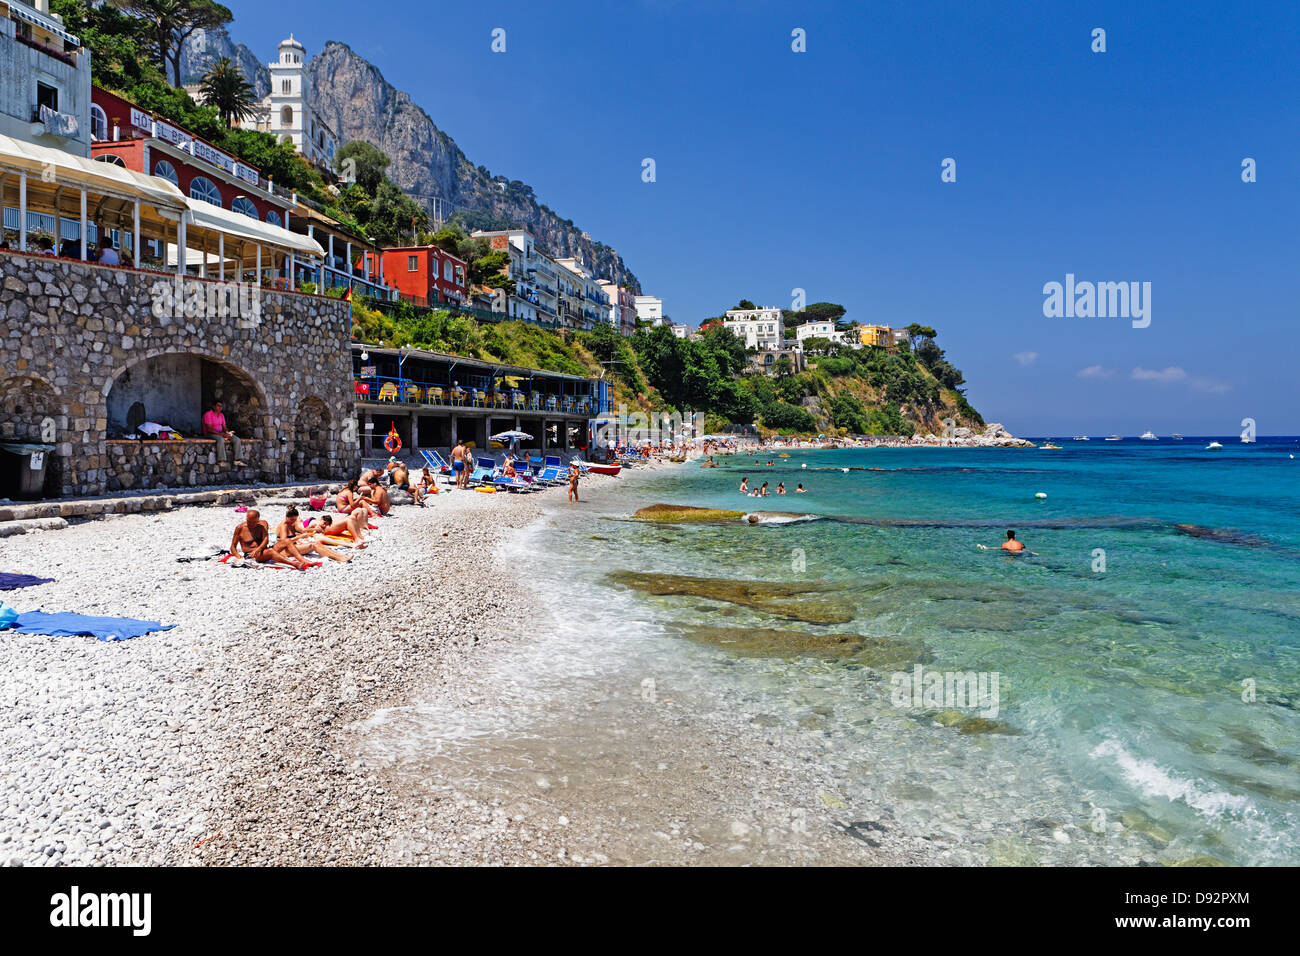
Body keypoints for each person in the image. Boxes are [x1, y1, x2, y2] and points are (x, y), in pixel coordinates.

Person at [228, 510, 309, 568]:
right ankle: (294, 564)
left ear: (258, 520)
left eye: (254, 522)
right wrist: (238, 556)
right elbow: (233, 546)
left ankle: (303, 560)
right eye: (249, 521)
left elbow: (266, 540)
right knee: (270, 551)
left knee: (287, 541)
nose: (251, 524)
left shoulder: (261, 526)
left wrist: (258, 549)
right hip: (252, 555)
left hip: (263, 551)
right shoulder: (240, 528)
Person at [277, 506, 351, 563]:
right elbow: (283, 543)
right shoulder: (284, 525)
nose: (293, 522)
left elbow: (300, 531)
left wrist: (298, 535)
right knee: (313, 545)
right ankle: (338, 558)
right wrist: (300, 537)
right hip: (285, 551)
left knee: (317, 543)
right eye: (292, 520)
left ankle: (340, 555)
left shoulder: (291, 523)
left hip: (292, 547)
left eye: (295, 520)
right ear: (287, 517)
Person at [202, 401, 244, 466]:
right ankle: (221, 460)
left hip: (220, 433)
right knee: (221, 439)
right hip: (209, 433)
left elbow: (224, 427)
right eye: (218, 406)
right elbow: (209, 429)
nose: (220, 407)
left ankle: (238, 460)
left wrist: (228, 433)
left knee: (237, 439)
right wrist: (222, 434)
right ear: (213, 406)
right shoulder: (208, 414)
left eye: (221, 406)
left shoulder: (221, 415)